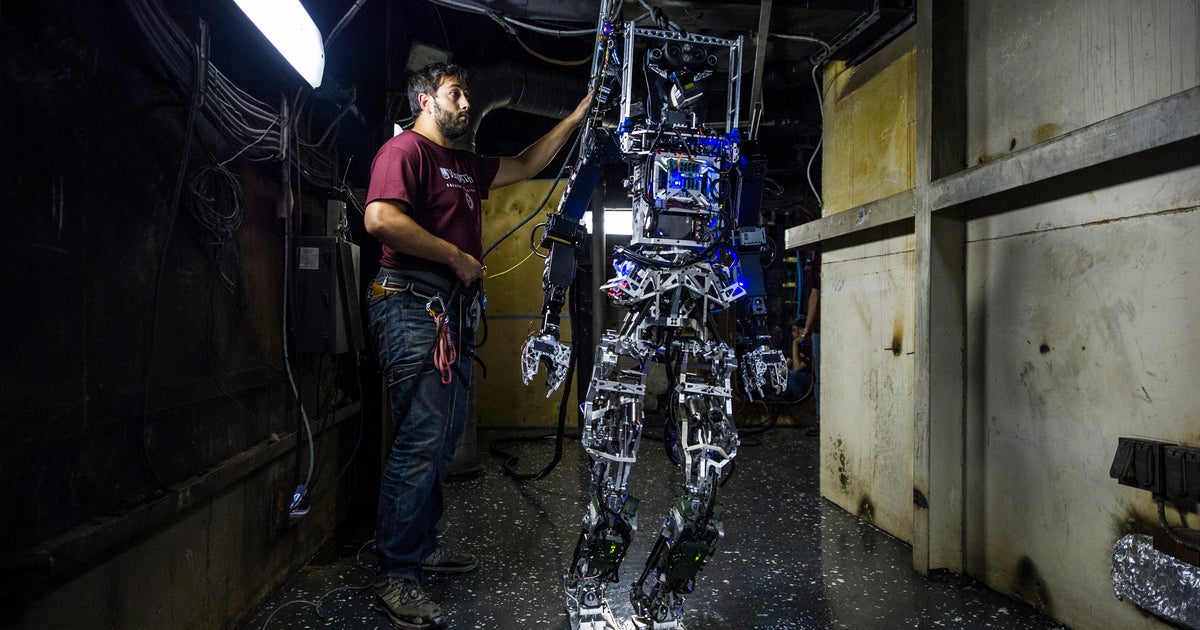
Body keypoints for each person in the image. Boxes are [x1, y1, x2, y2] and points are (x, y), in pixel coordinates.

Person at [362, 62, 591, 629]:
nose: (466, 104)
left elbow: (531, 161)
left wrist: (579, 115)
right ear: (424, 99)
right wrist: (455, 256)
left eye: (466, 94)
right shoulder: (406, 153)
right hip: (412, 303)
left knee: (439, 441)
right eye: (455, 94)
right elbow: (380, 218)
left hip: (448, 311)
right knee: (420, 440)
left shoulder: (464, 164)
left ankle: (419, 547)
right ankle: (397, 572)